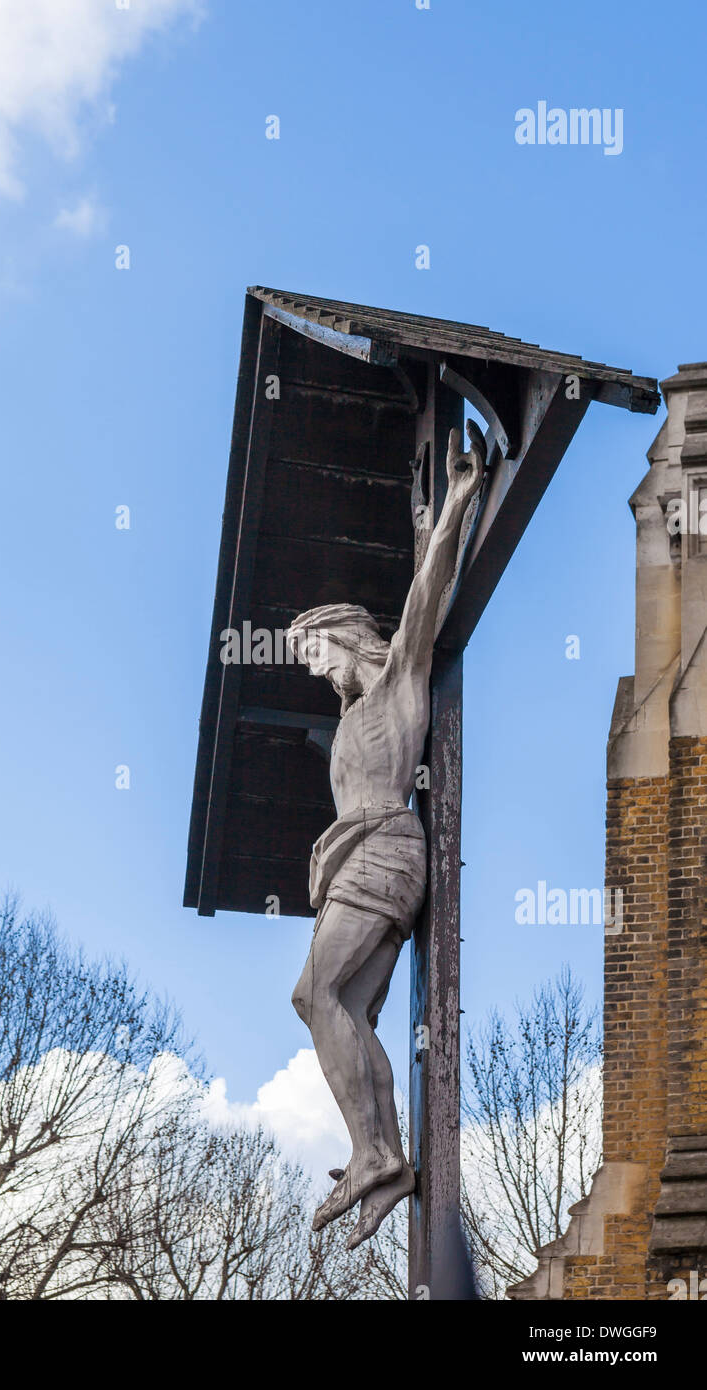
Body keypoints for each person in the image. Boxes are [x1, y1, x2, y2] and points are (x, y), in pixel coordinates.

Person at [287, 420, 486, 1249]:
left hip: (381, 850)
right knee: (346, 1010)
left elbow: (424, 595)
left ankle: (376, 1151)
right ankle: (386, 1157)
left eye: (315, 656)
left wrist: (456, 507)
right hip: (363, 857)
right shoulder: (355, 716)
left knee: (312, 995)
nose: (315, 672)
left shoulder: (397, 682)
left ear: (344, 639)